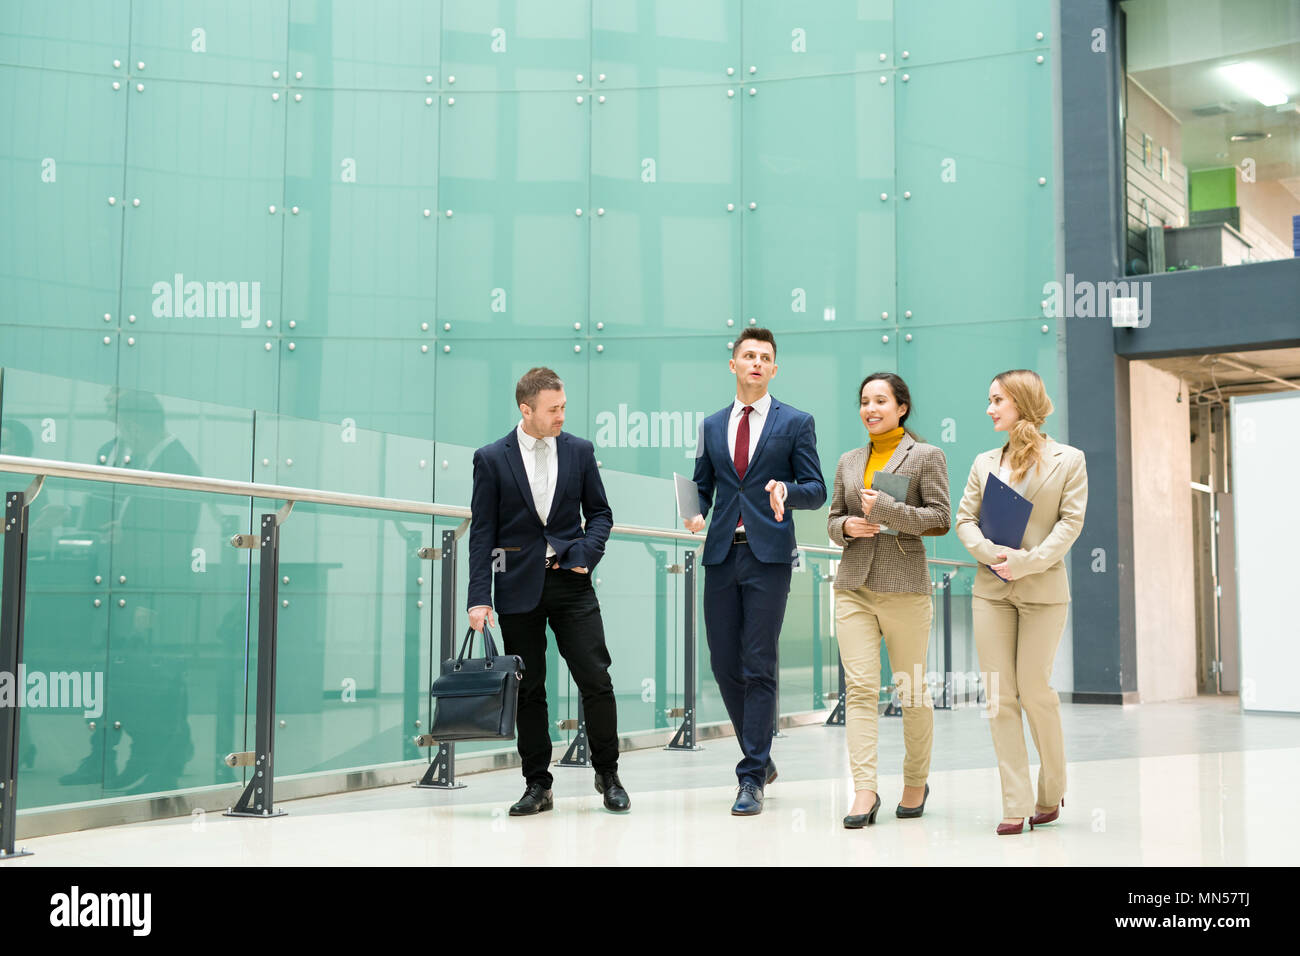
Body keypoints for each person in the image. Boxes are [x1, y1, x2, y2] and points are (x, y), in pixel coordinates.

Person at [466, 367, 628, 816]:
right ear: (526, 409)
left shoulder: (579, 450)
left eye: (563, 407)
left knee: (596, 678)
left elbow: (600, 514)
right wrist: (479, 597)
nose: (561, 415)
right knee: (528, 690)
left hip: (571, 583)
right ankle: (538, 784)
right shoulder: (491, 458)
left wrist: (585, 553)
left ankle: (608, 773)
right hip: (517, 588)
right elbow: (482, 534)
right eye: (553, 409)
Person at [684, 328, 826, 815]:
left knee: (757, 661)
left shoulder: (796, 422)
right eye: (749, 356)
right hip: (722, 552)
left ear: (774, 368)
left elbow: (817, 488)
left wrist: (786, 489)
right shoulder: (711, 425)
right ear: (733, 365)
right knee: (724, 663)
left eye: (766, 357)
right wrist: (694, 509)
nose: (757, 363)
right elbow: (704, 485)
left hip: (768, 555)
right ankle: (760, 753)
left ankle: (751, 774)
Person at [954, 369, 1087, 835]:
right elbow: (964, 519)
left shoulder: (1068, 460)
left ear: (1022, 402)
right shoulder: (983, 461)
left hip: (1043, 590)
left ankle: (1051, 790)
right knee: (999, 697)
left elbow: (1069, 525)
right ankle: (1015, 802)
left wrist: (1026, 561)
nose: (989, 409)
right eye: (989, 400)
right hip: (991, 591)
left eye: (997, 400)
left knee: (1034, 692)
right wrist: (992, 555)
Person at [827, 372, 949, 828]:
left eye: (881, 401)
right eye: (864, 401)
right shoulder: (848, 460)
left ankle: (915, 781)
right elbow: (833, 517)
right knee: (858, 689)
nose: (871, 409)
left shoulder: (927, 456)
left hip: (905, 587)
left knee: (911, 691)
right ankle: (864, 790)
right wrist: (845, 528)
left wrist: (886, 510)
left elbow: (940, 519)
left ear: (901, 407)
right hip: (854, 586)